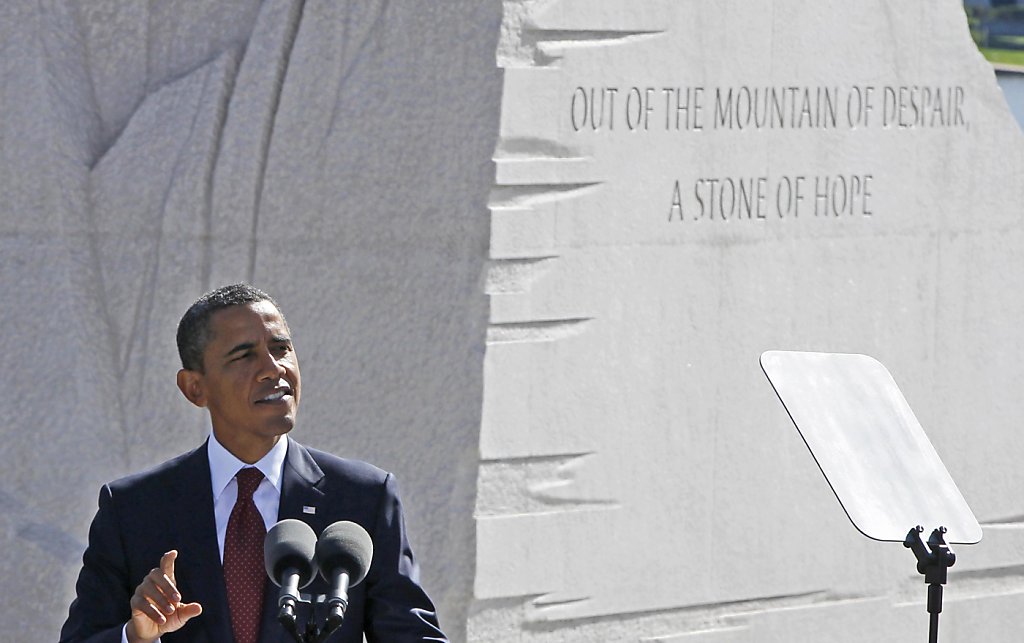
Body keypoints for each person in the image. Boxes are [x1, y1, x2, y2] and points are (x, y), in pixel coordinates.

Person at [60, 284, 447, 643]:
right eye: (244, 355)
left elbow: (413, 635)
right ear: (195, 387)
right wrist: (138, 635)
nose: (273, 368)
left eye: (281, 348)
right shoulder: (133, 508)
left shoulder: (364, 498)